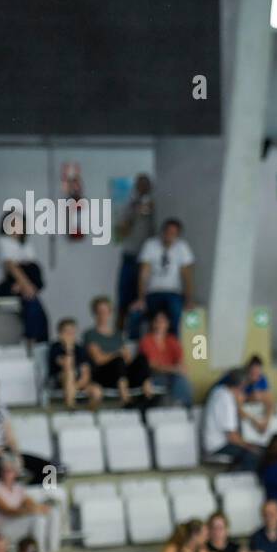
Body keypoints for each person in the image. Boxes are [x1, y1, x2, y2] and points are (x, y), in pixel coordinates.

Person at [130, 217, 195, 338]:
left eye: (173, 233)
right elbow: (143, 273)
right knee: (138, 315)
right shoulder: (150, 244)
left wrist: (189, 299)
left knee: (176, 313)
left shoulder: (182, 247)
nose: (169, 235)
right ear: (162, 231)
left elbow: (187, 276)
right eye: (167, 231)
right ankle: (140, 349)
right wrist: (140, 298)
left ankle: (172, 347)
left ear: (178, 235)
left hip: (174, 293)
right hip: (153, 292)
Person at [0, 452, 60, 552]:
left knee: (52, 512)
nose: (6, 473)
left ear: (16, 472)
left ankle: (53, 549)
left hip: (15, 523)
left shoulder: (17, 487)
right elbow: (8, 511)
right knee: (38, 520)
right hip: (1, 528)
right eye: (4, 470)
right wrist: (32, 510)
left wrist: (41, 508)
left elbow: (29, 503)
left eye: (10, 471)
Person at [0, 209, 49, 345]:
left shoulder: (26, 245)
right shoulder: (2, 242)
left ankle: (39, 340)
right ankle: (31, 339)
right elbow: (11, 266)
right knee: (32, 304)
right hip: (5, 285)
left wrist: (26, 286)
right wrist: (26, 286)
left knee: (38, 310)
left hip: (22, 286)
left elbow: (32, 268)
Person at [85, 296, 153, 406]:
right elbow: (98, 359)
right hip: (104, 375)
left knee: (142, 359)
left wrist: (119, 356)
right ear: (95, 313)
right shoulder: (91, 335)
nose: (103, 315)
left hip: (121, 372)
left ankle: (148, 395)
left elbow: (128, 358)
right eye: (100, 311)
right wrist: (117, 354)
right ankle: (125, 399)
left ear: (110, 312)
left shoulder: (117, 335)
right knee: (118, 361)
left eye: (105, 311)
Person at [116, 174, 156, 326]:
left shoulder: (156, 205)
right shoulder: (128, 206)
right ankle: (118, 335)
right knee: (124, 300)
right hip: (131, 256)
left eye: (146, 185)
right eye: (140, 185)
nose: (143, 188)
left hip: (150, 260)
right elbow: (121, 232)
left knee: (144, 301)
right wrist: (135, 213)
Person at [203, 369, 260, 470]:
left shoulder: (219, 391)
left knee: (254, 449)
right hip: (217, 447)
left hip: (215, 444)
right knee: (254, 455)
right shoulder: (226, 400)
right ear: (241, 385)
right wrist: (249, 446)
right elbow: (232, 437)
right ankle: (239, 479)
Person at [138, 308, 193, 408]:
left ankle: (182, 405)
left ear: (168, 323)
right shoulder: (146, 340)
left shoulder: (172, 340)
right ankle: (180, 406)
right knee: (178, 378)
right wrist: (173, 369)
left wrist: (179, 369)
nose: (159, 325)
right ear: (152, 323)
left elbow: (180, 362)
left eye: (162, 321)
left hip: (170, 376)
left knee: (181, 378)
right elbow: (151, 365)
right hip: (153, 376)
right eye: (157, 321)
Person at [47, 317, 102, 409]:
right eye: (67, 331)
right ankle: (70, 406)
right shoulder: (55, 348)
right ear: (60, 333)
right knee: (69, 373)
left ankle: (89, 413)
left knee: (97, 391)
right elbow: (67, 365)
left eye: (72, 331)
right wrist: (68, 347)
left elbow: (86, 371)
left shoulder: (80, 348)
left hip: (78, 382)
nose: (70, 334)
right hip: (60, 380)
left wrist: (77, 386)